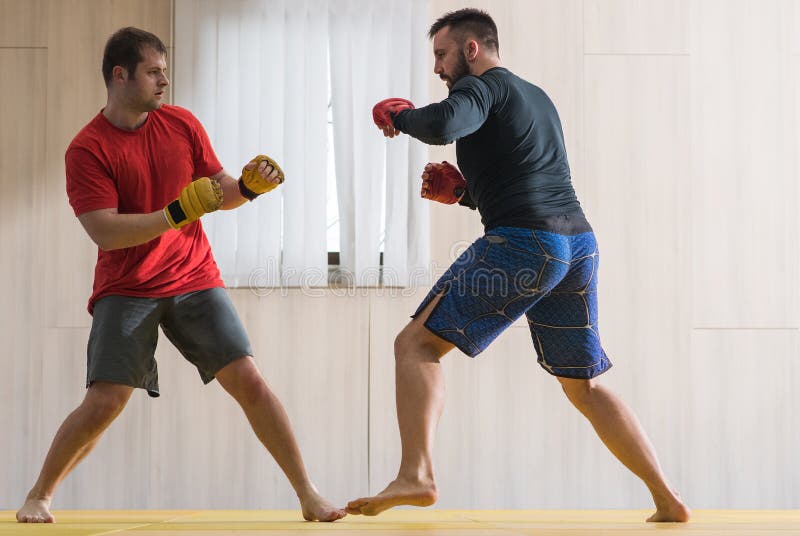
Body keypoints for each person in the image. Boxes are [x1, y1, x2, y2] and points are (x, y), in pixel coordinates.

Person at [349, 8, 690, 523]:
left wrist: (399, 116)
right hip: (577, 247)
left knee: (416, 345)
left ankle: (415, 475)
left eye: (441, 55)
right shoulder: (536, 96)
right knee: (583, 385)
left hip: (525, 245)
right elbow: (529, 174)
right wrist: (465, 194)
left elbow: (443, 124)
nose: (437, 69)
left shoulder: (480, 90)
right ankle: (667, 499)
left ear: (471, 49)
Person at [16, 27, 345, 524]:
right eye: (154, 71)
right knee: (106, 401)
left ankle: (308, 494)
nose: (164, 80)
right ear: (119, 75)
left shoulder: (182, 124)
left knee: (250, 381)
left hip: (194, 276)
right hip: (127, 287)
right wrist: (173, 214)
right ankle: (40, 495)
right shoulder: (86, 149)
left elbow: (219, 191)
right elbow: (104, 232)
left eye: (164, 70)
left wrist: (248, 188)